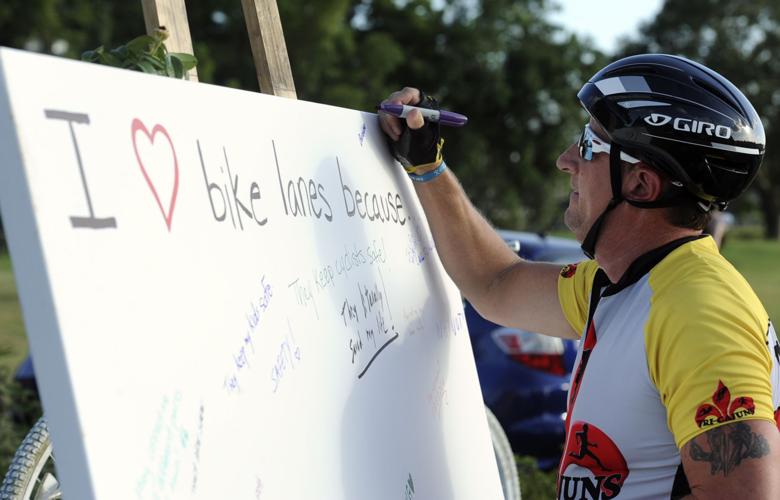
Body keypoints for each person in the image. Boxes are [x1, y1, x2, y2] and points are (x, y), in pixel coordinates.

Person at [378, 54, 780, 499]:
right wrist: (428, 167)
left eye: (589, 145)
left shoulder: (698, 311)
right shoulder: (623, 284)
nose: (565, 160)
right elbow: (496, 282)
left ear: (641, 186)